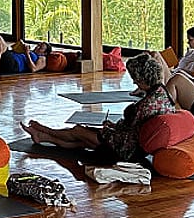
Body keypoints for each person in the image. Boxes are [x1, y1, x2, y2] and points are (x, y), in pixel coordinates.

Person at [20, 53, 175, 163]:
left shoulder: (147, 105)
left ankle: (45, 131)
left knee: (78, 131)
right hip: (131, 146)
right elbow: (134, 129)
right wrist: (113, 127)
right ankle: (43, 136)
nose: (134, 82)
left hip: (124, 149)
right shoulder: (162, 94)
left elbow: (130, 135)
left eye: (135, 79)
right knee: (81, 141)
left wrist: (110, 128)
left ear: (142, 79)